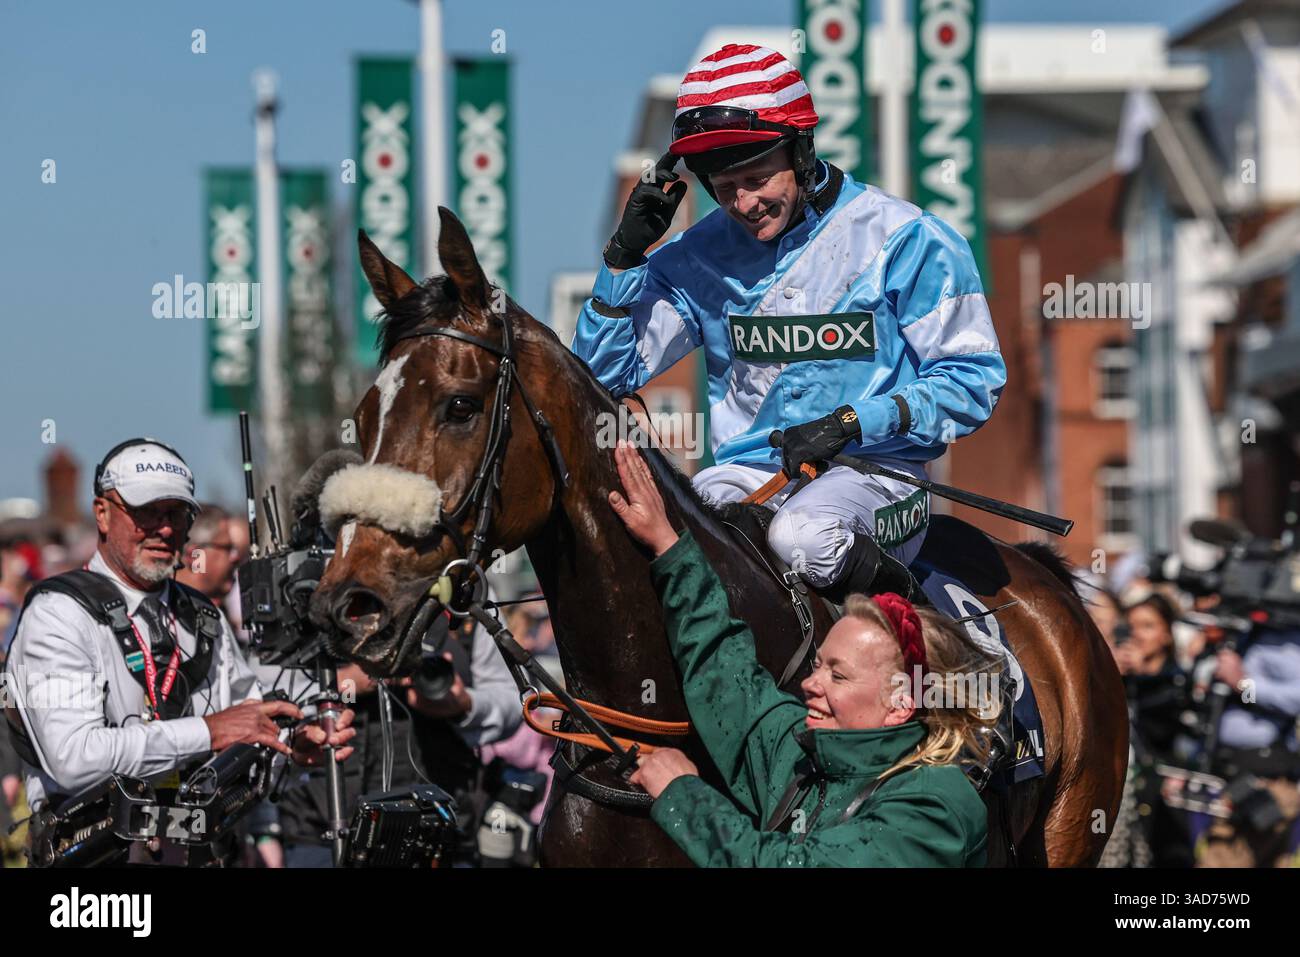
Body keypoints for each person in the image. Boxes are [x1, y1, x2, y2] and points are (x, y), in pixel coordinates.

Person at [573, 42, 1006, 603]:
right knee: (662, 542)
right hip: (749, 475)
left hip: (883, 479)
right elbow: (602, 379)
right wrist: (622, 262)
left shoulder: (911, 239)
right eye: (723, 188)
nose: (744, 203)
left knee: (801, 538)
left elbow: (972, 383)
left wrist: (854, 421)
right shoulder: (694, 257)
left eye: (756, 179)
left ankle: (927, 625)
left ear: (801, 152)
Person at [608, 442, 995, 866]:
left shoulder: (937, 809)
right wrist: (669, 544)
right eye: (818, 666)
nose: (810, 684)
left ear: (901, 700)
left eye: (839, 675)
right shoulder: (802, 752)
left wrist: (685, 796)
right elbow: (727, 675)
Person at [1, 438, 355, 863]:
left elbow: (247, 728)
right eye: (146, 512)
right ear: (102, 512)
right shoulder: (58, 612)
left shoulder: (203, 614)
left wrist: (289, 746)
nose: (164, 528)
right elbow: (75, 759)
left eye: (177, 513)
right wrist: (208, 731)